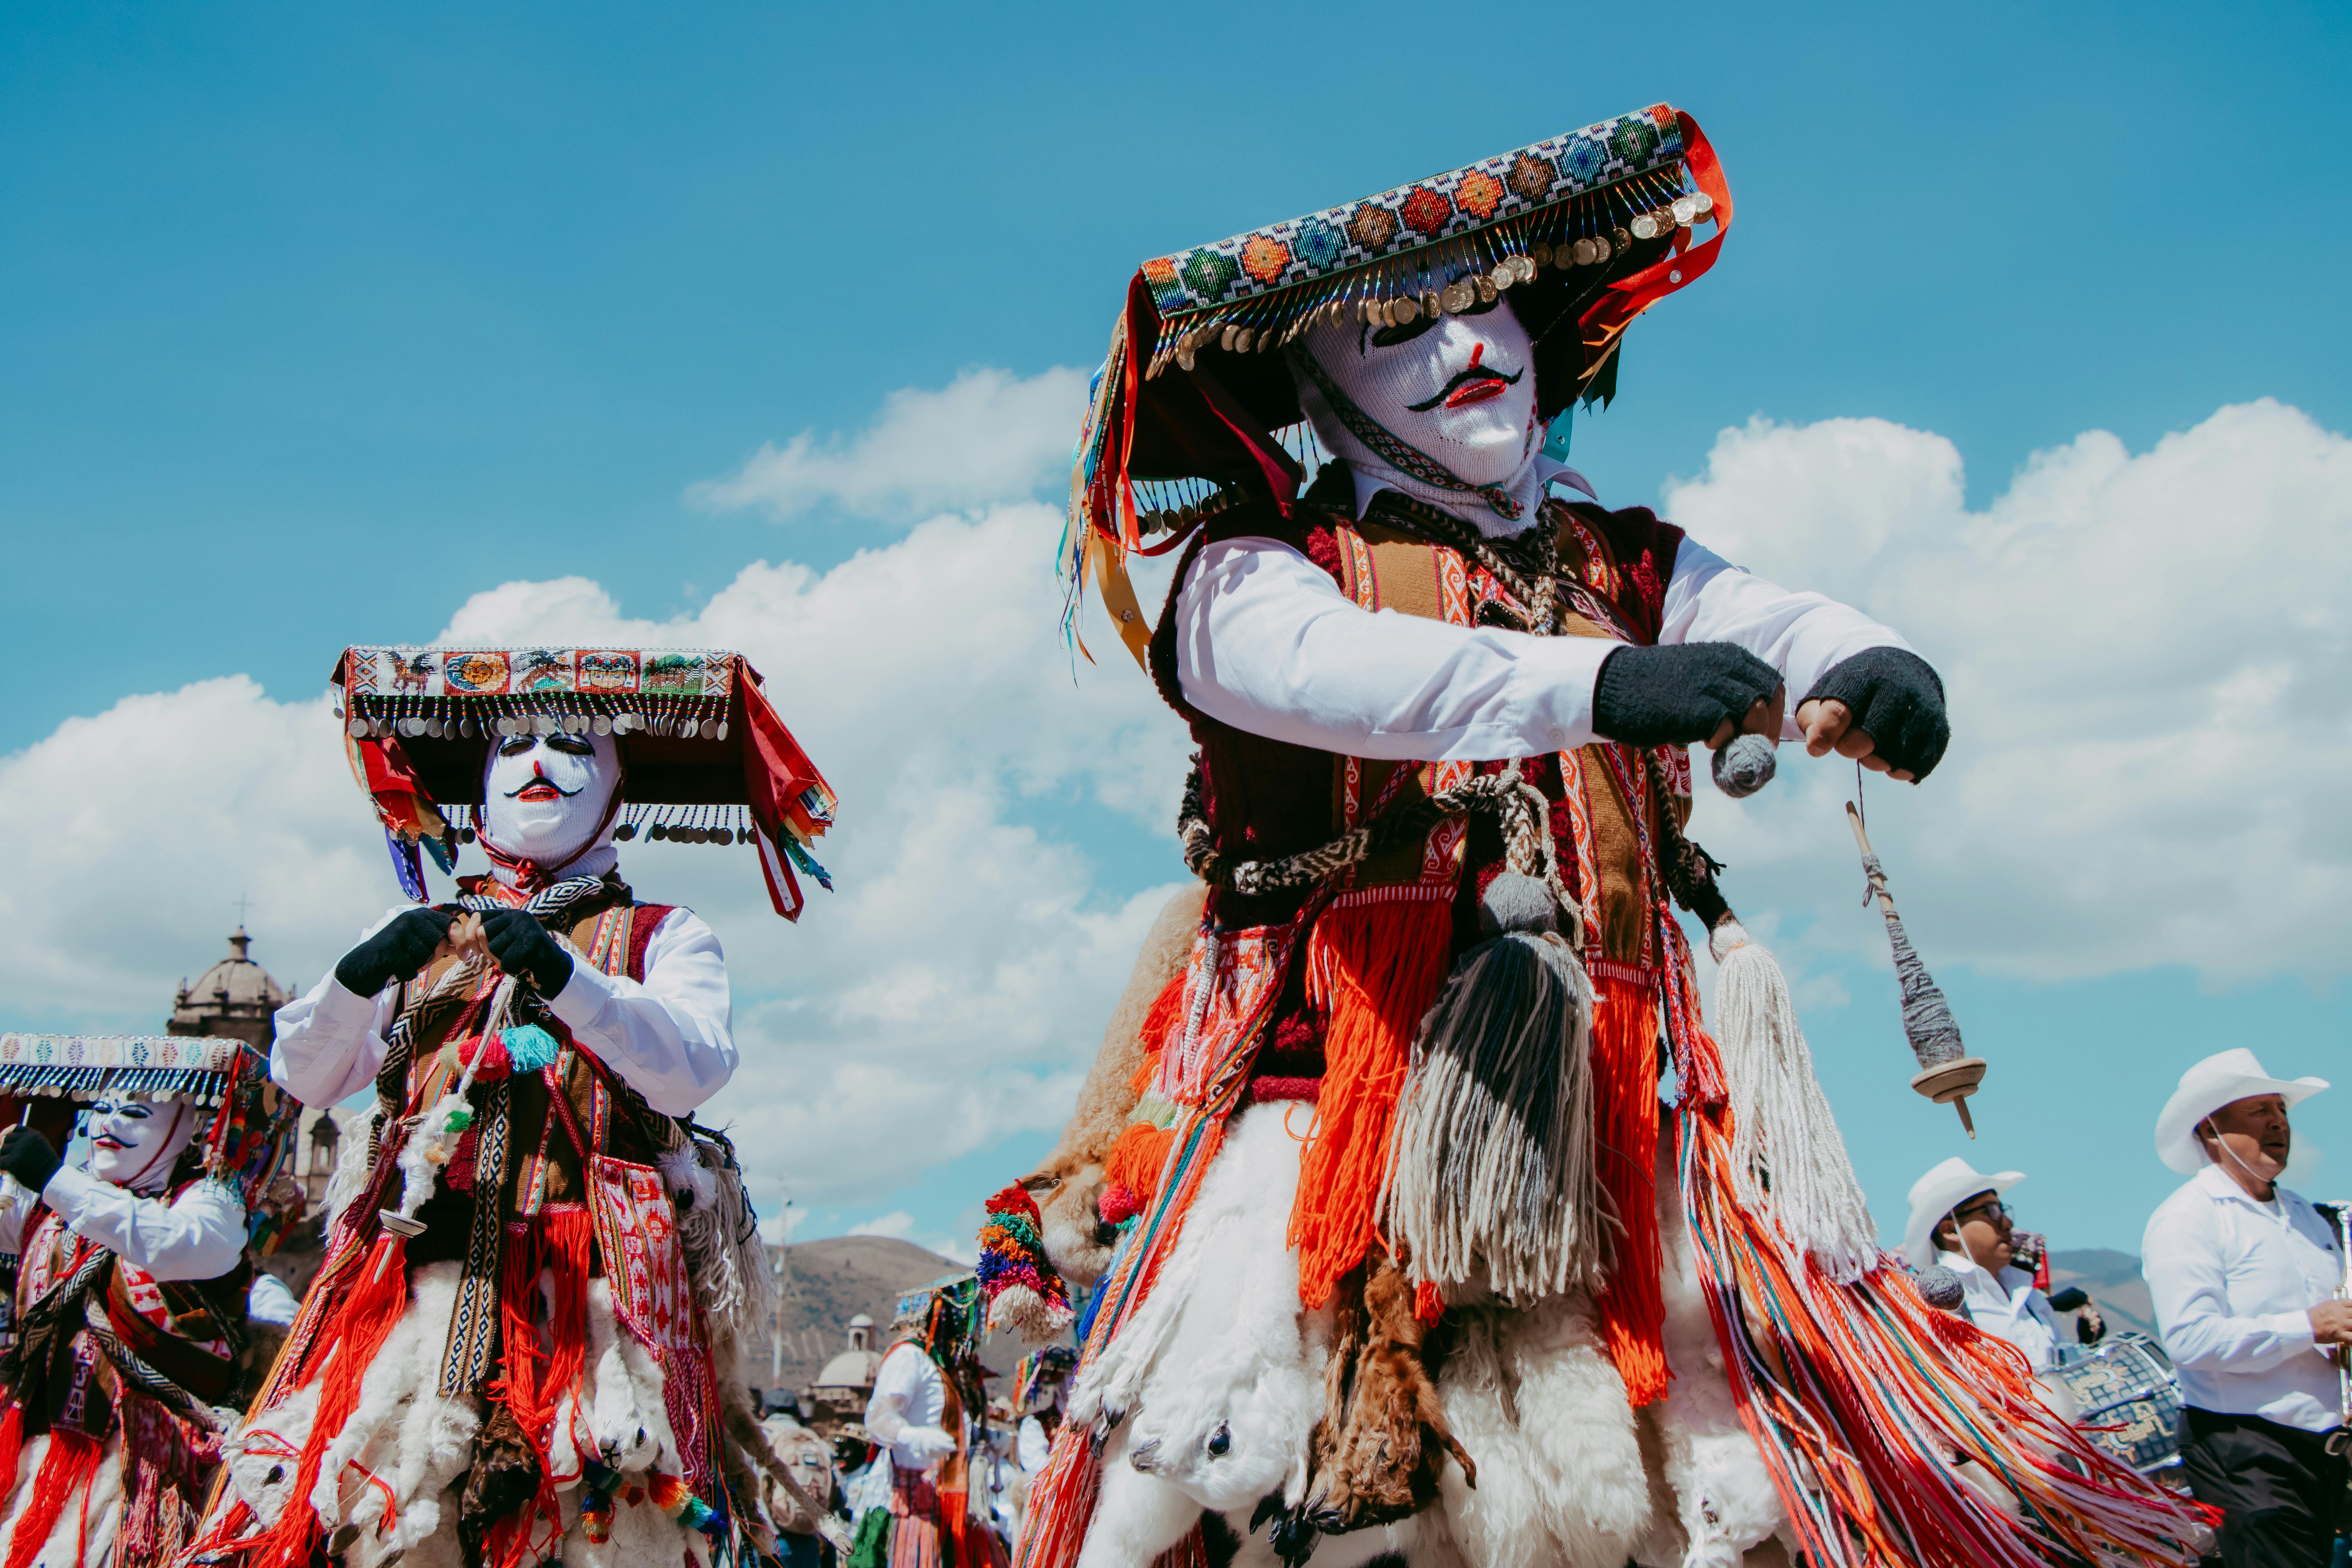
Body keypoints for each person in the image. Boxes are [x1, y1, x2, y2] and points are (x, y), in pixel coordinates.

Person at [1026, 101, 2204, 1568]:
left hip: (1617, 1121)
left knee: (1701, 1500)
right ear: (1316, 385)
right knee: (1269, 1495)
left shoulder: (1616, 553)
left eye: (1489, 308)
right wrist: (1603, 681)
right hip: (1339, 1115)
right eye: (1399, 325)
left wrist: (1863, 657)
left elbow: (1759, 612)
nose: (1469, 345)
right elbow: (1355, 678)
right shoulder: (1248, 573)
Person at [180, 643, 837, 1568]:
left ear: (611, 785)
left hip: (596, 1294)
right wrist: (357, 977)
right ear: (478, 784)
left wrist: (568, 978)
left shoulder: (663, 934)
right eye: (511, 748)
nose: (537, 764)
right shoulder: (415, 936)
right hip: (420, 1284)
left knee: (603, 1528)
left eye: (570, 743)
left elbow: (693, 1067)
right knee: (392, 1524)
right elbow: (304, 1074)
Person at [0, 1043, 291, 1565]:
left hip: (154, 1473)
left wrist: (52, 1178)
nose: (111, 1124)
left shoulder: (210, 1207)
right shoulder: (57, 1212)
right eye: (100, 1111)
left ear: (185, 1133)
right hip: (41, 1461)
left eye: (136, 1113)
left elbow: (174, 1243)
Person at [2144, 1048, 2350, 1566]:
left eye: (2281, 1111)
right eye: (2260, 1112)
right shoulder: (2188, 1219)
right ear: (2210, 1129)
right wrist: (2308, 1327)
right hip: (2245, 1448)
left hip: (2323, 1449)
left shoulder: (2309, 1219)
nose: (2279, 1123)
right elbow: (2190, 1340)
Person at [1904, 1156, 2066, 1371]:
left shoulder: (2027, 1292)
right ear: (1950, 1230)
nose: (2008, 1223)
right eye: (1992, 1212)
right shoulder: (1935, 1308)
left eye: (2002, 1210)